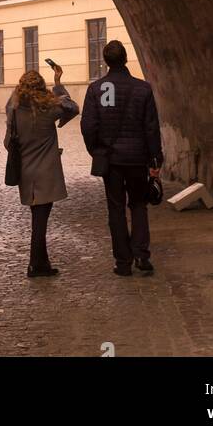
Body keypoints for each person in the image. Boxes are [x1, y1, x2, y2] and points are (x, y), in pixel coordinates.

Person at [80, 39, 163, 277]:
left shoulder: (96, 89)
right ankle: (142, 255)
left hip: (111, 159)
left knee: (115, 209)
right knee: (139, 206)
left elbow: (88, 126)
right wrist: (155, 159)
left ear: (106, 61)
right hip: (137, 158)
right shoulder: (143, 88)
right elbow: (151, 128)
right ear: (125, 59)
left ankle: (123, 261)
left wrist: (96, 150)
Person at [5, 66, 78, 277]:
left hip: (26, 172)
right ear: (41, 88)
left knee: (38, 217)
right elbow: (72, 107)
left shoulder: (15, 111)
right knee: (40, 219)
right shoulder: (50, 109)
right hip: (46, 171)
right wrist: (56, 85)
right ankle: (35, 265)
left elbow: (7, 142)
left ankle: (42, 263)